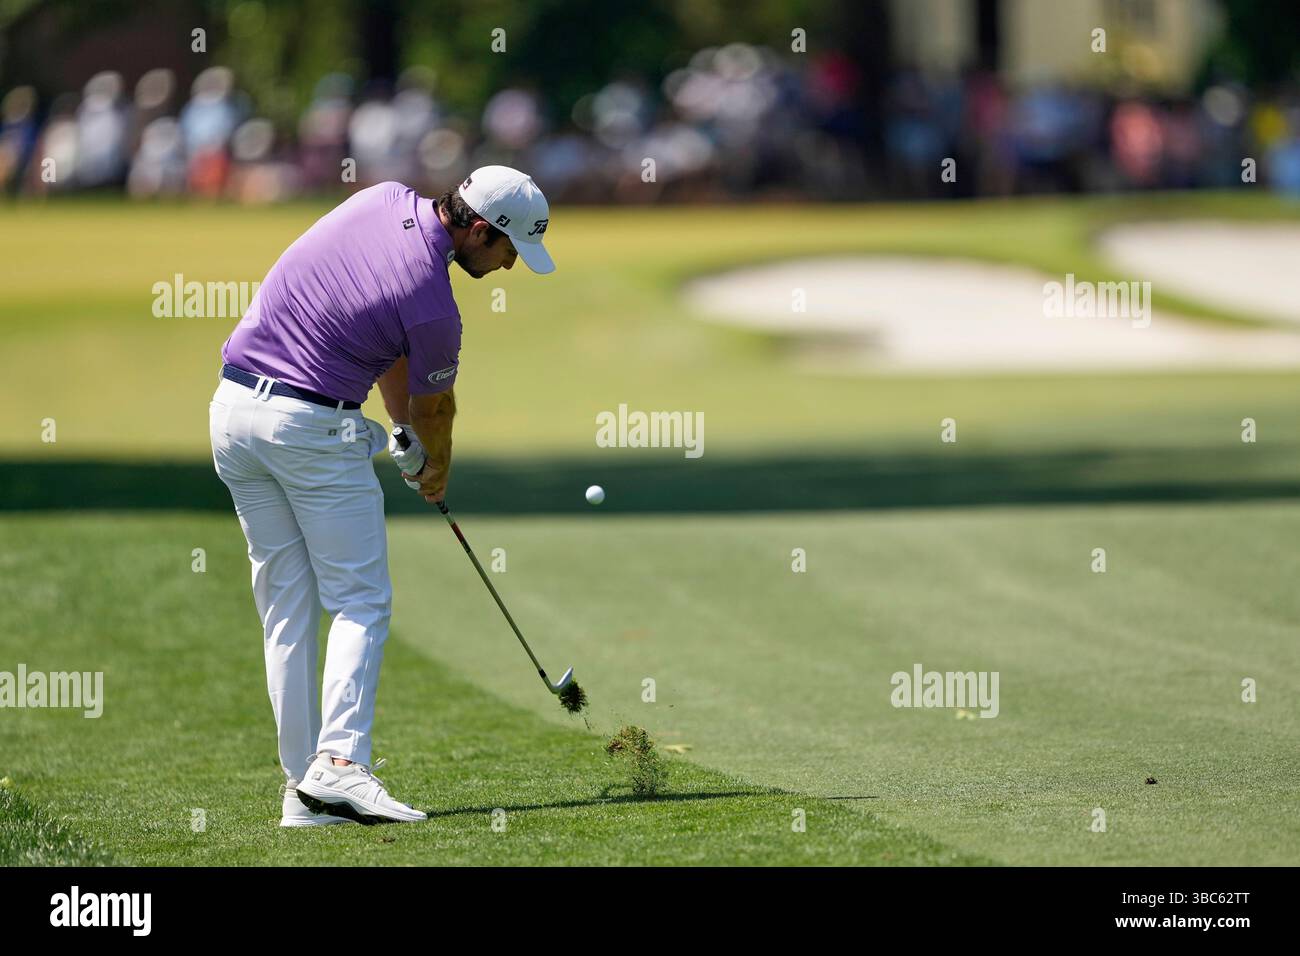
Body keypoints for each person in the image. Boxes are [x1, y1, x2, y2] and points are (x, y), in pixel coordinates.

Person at [208, 166, 554, 825]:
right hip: (308, 428)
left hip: (233, 414)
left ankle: (304, 793)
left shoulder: (382, 198)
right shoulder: (435, 307)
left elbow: (386, 342)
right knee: (360, 601)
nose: (510, 266)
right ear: (479, 229)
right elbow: (437, 411)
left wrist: (400, 436)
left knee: (288, 609)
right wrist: (432, 470)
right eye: (508, 249)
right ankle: (339, 765)